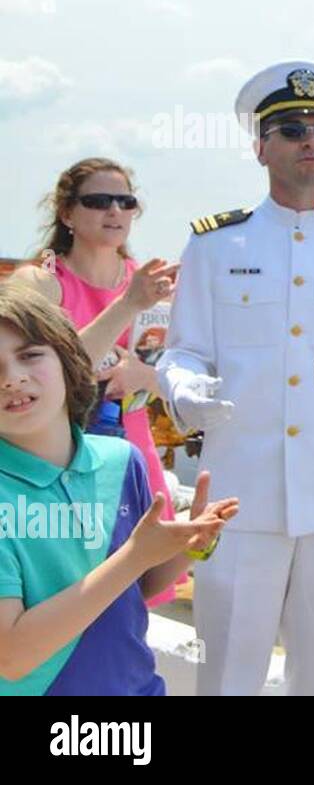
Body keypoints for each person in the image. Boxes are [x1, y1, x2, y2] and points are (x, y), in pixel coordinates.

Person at [156, 60, 314, 695]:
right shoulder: (217, 246)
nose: (310, 139)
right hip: (240, 499)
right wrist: (182, 389)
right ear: (261, 147)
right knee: (228, 677)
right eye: (290, 129)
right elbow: (183, 352)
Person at [0, 284, 234, 695]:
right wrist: (134, 557)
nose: (12, 378)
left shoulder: (122, 461)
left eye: (30, 355)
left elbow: (134, 587)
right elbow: (13, 656)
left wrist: (190, 543)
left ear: (69, 361)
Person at [9, 158, 183, 606]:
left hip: (133, 457)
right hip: (59, 461)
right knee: (65, 591)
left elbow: (179, 378)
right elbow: (47, 373)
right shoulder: (43, 282)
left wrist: (145, 375)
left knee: (135, 596)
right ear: (67, 213)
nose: (115, 212)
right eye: (98, 201)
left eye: (126, 202)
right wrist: (128, 305)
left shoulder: (148, 282)